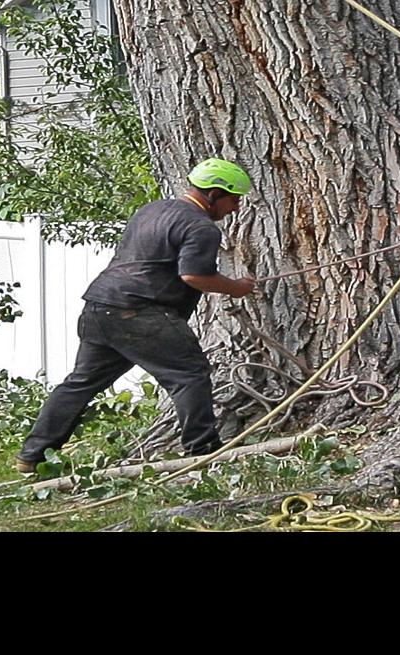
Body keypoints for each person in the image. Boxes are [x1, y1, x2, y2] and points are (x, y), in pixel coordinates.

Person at [13, 158, 257, 475]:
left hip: (100, 305)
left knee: (81, 383)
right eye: (233, 199)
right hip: (140, 311)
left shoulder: (152, 210)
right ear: (213, 194)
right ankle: (203, 452)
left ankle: (32, 456)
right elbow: (194, 276)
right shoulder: (201, 227)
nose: (235, 208)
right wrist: (235, 287)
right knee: (190, 374)